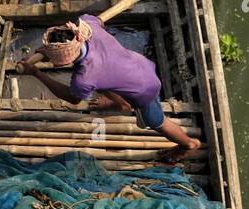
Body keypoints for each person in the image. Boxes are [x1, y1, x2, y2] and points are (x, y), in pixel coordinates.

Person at [14, 15, 201, 156]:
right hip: (138, 64)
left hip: (144, 88)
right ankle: (119, 103)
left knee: (156, 122)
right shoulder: (87, 24)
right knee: (104, 81)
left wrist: (37, 73)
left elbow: (72, 97)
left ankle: (187, 144)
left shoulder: (85, 78)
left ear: (60, 62)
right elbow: (99, 21)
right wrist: (45, 51)